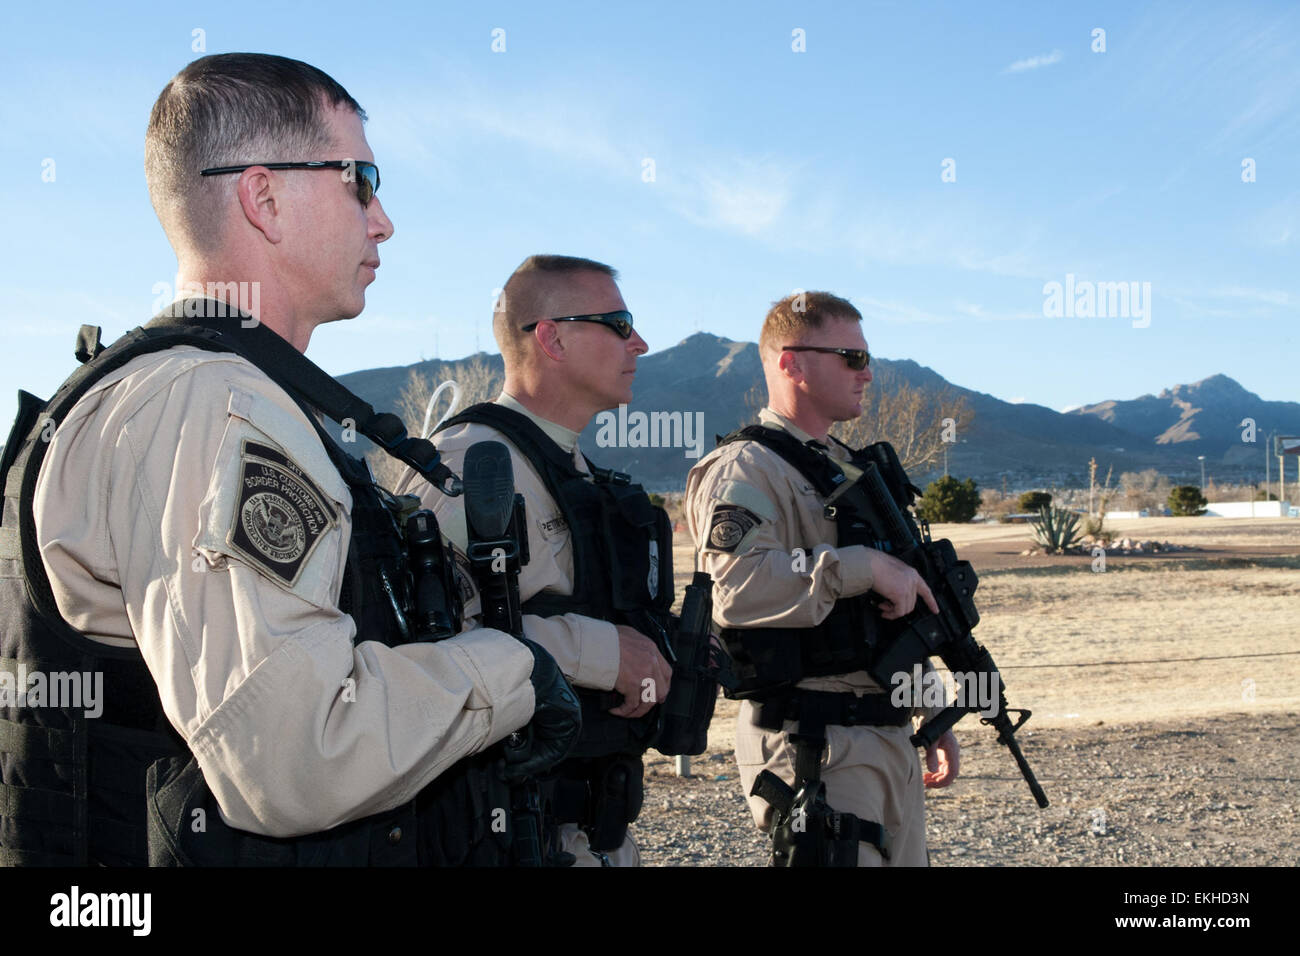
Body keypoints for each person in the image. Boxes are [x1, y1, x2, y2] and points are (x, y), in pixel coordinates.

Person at [0, 53, 578, 867]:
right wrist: (511, 672)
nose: (383, 221)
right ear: (264, 196)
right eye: (361, 180)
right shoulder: (212, 401)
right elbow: (297, 756)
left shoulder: (206, 390)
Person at [394, 254, 675, 866]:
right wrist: (599, 653)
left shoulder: (573, 470)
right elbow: (417, 654)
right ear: (551, 337)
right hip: (501, 834)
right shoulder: (469, 465)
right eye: (621, 324)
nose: (642, 343)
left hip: (587, 828)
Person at [683, 291, 960, 867]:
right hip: (814, 739)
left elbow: (890, 617)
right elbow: (733, 589)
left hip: (884, 734)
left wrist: (927, 705)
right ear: (792, 363)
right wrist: (865, 568)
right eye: (851, 357)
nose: (868, 374)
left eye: (867, 358)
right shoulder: (746, 468)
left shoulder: (849, 467)